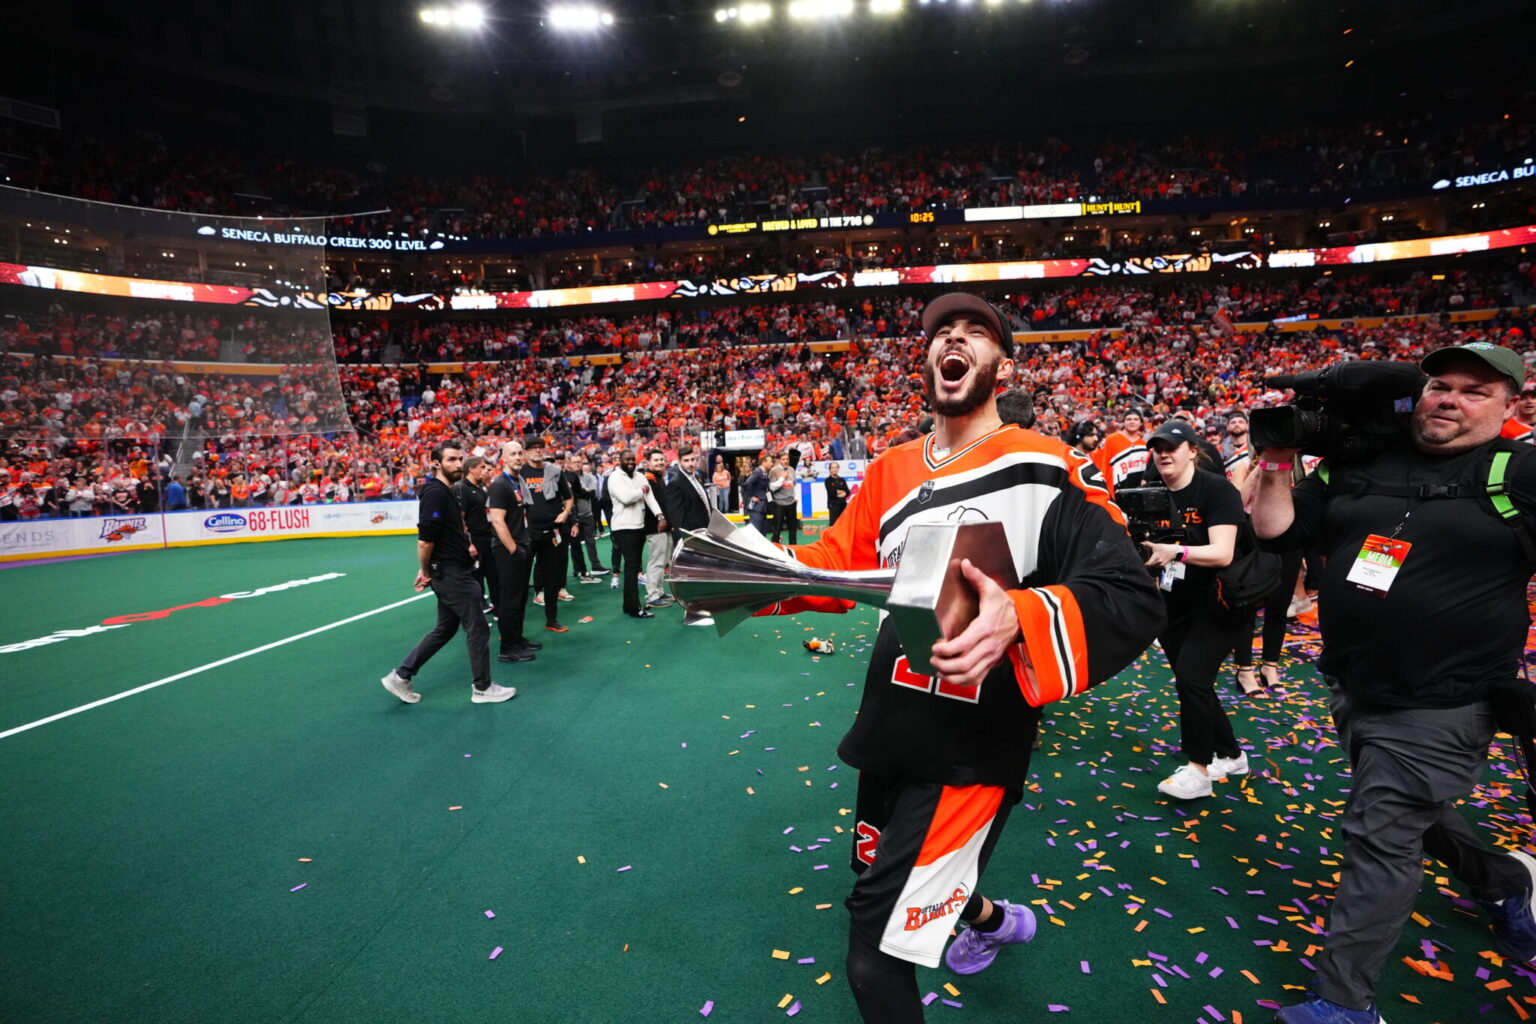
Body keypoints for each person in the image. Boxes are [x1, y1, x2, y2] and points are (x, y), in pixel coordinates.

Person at [745, 292, 1163, 1023]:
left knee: (873, 955)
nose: (955, 340)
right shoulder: (891, 468)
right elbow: (832, 566)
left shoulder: (1043, 464)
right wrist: (744, 574)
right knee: (890, 871)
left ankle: (977, 920)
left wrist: (1022, 615)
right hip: (893, 726)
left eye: (976, 332)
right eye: (942, 332)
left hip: (973, 748)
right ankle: (994, 922)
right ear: (929, 358)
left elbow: (1128, 592)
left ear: (1002, 365)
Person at [1253, 342, 1536, 1024]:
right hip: (1357, 687)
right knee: (1412, 814)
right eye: (1441, 384)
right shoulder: (1366, 459)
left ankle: (1344, 1004)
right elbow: (1274, 529)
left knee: (1379, 832)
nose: (1449, 398)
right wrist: (1275, 457)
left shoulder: (1519, 471)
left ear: (1510, 407)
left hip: (1446, 701)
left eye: (1475, 391)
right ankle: (1505, 888)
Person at [1140, 419, 1254, 800]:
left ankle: (1199, 769)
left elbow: (1221, 552)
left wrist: (1174, 552)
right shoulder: (1150, 492)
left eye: (1172, 446)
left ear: (1193, 450)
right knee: (1196, 684)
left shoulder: (1217, 490)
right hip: (1174, 601)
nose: (1163, 453)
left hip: (1221, 601)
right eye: (1157, 448)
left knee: (1191, 679)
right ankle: (1234, 756)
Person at [381, 442, 517, 705]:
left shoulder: (450, 490)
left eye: (460, 459)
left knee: (445, 628)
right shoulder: (435, 492)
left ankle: (401, 676)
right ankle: (483, 688)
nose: (458, 464)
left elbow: (444, 534)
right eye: (452, 460)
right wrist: (425, 571)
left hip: (451, 569)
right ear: (436, 463)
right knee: (477, 629)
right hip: (452, 574)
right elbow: (425, 540)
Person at [486, 441, 537, 664]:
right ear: (504, 458)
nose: (517, 457)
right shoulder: (500, 484)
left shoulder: (517, 481)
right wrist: (514, 550)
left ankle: (517, 639)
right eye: (513, 454)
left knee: (520, 597)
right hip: (509, 550)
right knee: (509, 599)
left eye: (519, 453)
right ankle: (507, 648)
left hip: (521, 546)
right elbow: (497, 521)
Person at [520, 438, 574, 633]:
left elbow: (568, 498)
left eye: (540, 448)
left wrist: (565, 513)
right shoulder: (520, 472)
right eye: (533, 448)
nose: (537, 451)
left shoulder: (554, 471)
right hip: (527, 533)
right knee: (520, 579)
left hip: (553, 531)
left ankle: (551, 620)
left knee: (552, 579)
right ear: (526, 452)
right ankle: (513, 627)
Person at [608, 449, 664, 619]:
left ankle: (628, 605)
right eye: (627, 459)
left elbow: (650, 498)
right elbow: (626, 498)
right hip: (623, 527)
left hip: (638, 526)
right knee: (632, 568)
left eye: (633, 459)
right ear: (620, 460)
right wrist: (642, 489)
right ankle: (634, 607)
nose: (631, 462)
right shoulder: (614, 478)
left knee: (633, 567)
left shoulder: (639, 476)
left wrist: (659, 515)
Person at [453, 455, 498, 614]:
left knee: (493, 572)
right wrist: (468, 543)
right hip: (475, 538)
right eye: (482, 468)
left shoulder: (480, 487)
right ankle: (479, 606)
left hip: (488, 536)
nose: (485, 471)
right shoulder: (461, 487)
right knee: (476, 575)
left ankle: (496, 603)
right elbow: (460, 518)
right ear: (471, 469)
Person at [641, 449, 674, 609]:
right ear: (648, 463)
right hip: (655, 527)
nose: (660, 462)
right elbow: (650, 505)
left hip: (665, 525)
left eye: (662, 459)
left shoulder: (658, 478)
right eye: (656, 460)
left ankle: (659, 591)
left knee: (663, 561)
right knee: (656, 561)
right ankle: (652, 596)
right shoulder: (648, 478)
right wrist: (660, 520)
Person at [1095, 409, 1149, 494]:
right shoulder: (1110, 440)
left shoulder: (1144, 445)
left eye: (1135, 419)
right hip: (1114, 491)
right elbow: (1101, 465)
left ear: (1141, 423)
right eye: (1129, 419)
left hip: (1137, 493)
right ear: (1123, 422)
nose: (1132, 422)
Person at [767, 450, 798, 543]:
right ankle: (776, 550)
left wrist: (795, 496)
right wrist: (782, 478)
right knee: (777, 529)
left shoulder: (792, 469)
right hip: (779, 504)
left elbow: (793, 483)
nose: (786, 461)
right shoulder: (774, 471)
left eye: (787, 459)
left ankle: (794, 549)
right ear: (779, 460)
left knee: (793, 529)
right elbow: (771, 487)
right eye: (783, 459)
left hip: (791, 503)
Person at [742, 453, 772, 534]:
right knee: (757, 531)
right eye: (770, 461)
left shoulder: (764, 473)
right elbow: (748, 483)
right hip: (756, 507)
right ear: (764, 462)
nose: (771, 463)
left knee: (763, 530)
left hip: (762, 506)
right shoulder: (758, 472)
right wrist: (752, 496)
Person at [825, 461, 850, 525]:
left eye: (836, 467)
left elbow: (848, 491)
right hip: (833, 505)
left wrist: (844, 493)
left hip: (843, 504)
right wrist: (842, 491)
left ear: (838, 469)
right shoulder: (828, 480)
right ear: (830, 470)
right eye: (832, 468)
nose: (834, 469)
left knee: (844, 524)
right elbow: (831, 491)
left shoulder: (842, 480)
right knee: (833, 524)